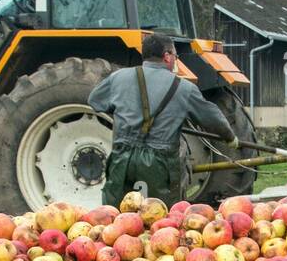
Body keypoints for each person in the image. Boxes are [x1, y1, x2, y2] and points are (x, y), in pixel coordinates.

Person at [89, 33, 238, 207]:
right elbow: (212, 118)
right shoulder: (184, 88)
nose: (175, 59)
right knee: (162, 217)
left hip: (122, 156)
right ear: (167, 56)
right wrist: (230, 137)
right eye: (175, 55)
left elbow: (95, 100)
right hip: (160, 162)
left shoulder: (119, 77)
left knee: (114, 215)